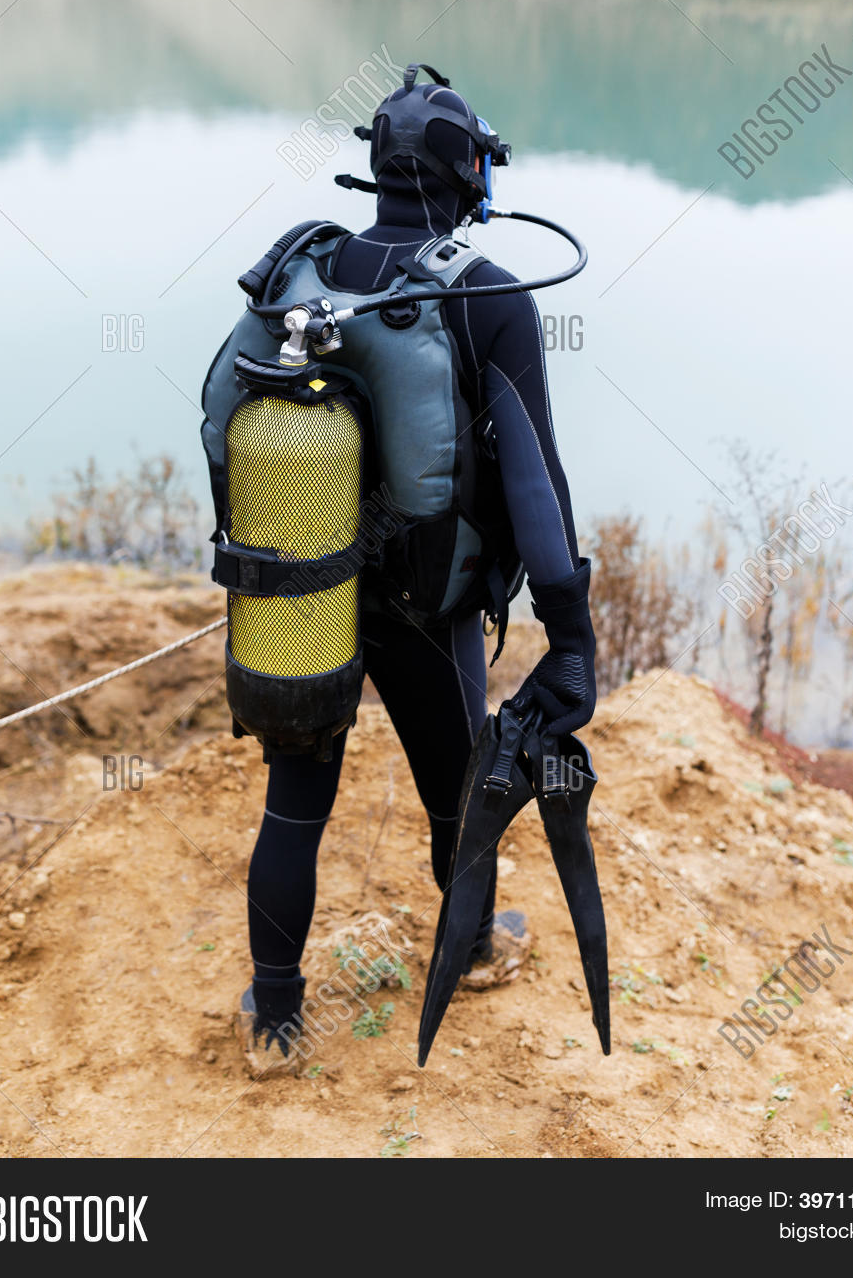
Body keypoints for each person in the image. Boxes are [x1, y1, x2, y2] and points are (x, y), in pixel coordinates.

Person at [203, 69, 596, 1072]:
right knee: (456, 793)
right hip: (431, 608)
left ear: (376, 168)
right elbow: (536, 485)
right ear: (468, 171)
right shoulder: (485, 293)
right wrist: (573, 634)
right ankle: (467, 948)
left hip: (308, 598)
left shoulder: (304, 269)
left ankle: (274, 1021)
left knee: (293, 806)